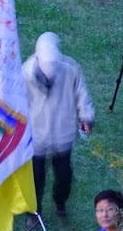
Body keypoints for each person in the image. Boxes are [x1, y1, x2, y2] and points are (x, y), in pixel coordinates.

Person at [23, 31, 93, 219]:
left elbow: (82, 94)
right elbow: (17, 101)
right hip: (36, 134)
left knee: (64, 175)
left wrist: (86, 116)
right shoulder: (26, 72)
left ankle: (59, 201)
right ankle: (33, 211)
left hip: (63, 132)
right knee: (35, 176)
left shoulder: (70, 69)